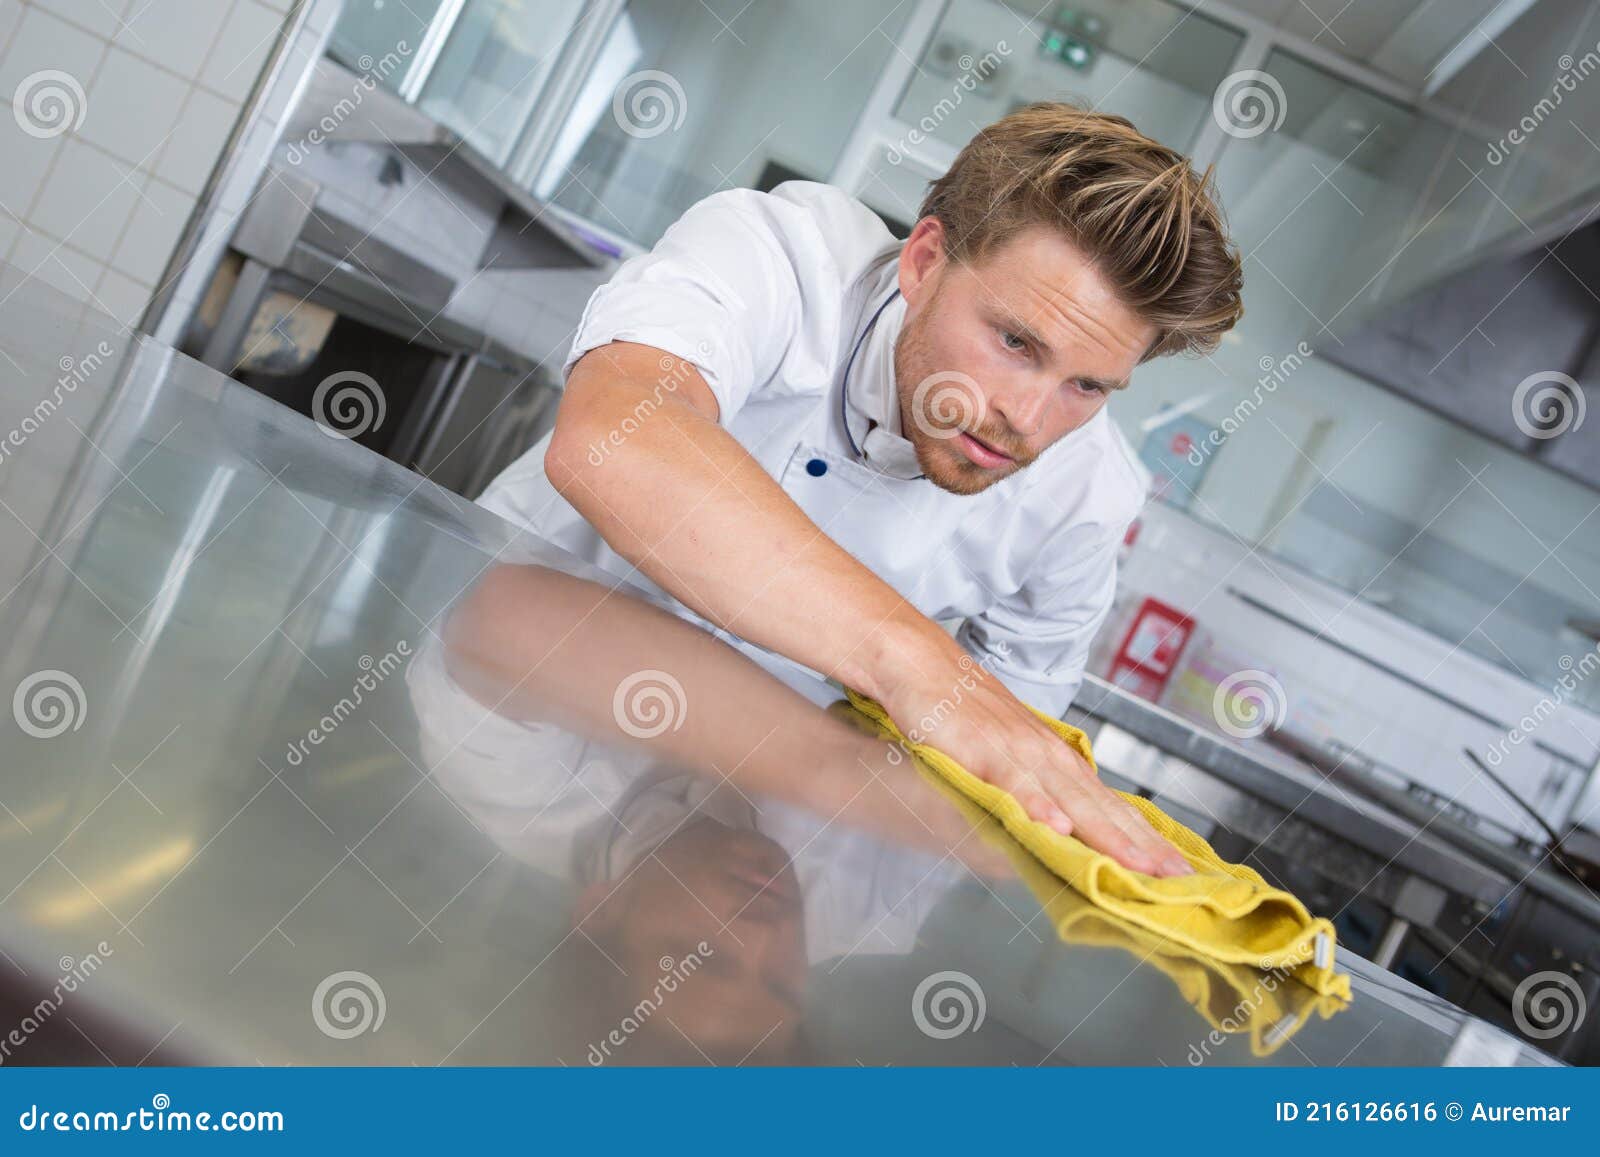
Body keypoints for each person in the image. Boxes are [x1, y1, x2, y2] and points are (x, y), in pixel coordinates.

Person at [478, 102, 1244, 878]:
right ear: (924, 261)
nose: (1029, 419)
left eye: (1087, 385)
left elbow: (988, 788)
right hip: (510, 700)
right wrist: (915, 661)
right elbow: (615, 441)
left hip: (776, 812)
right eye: (1015, 341)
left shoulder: (1085, 502)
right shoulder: (778, 254)